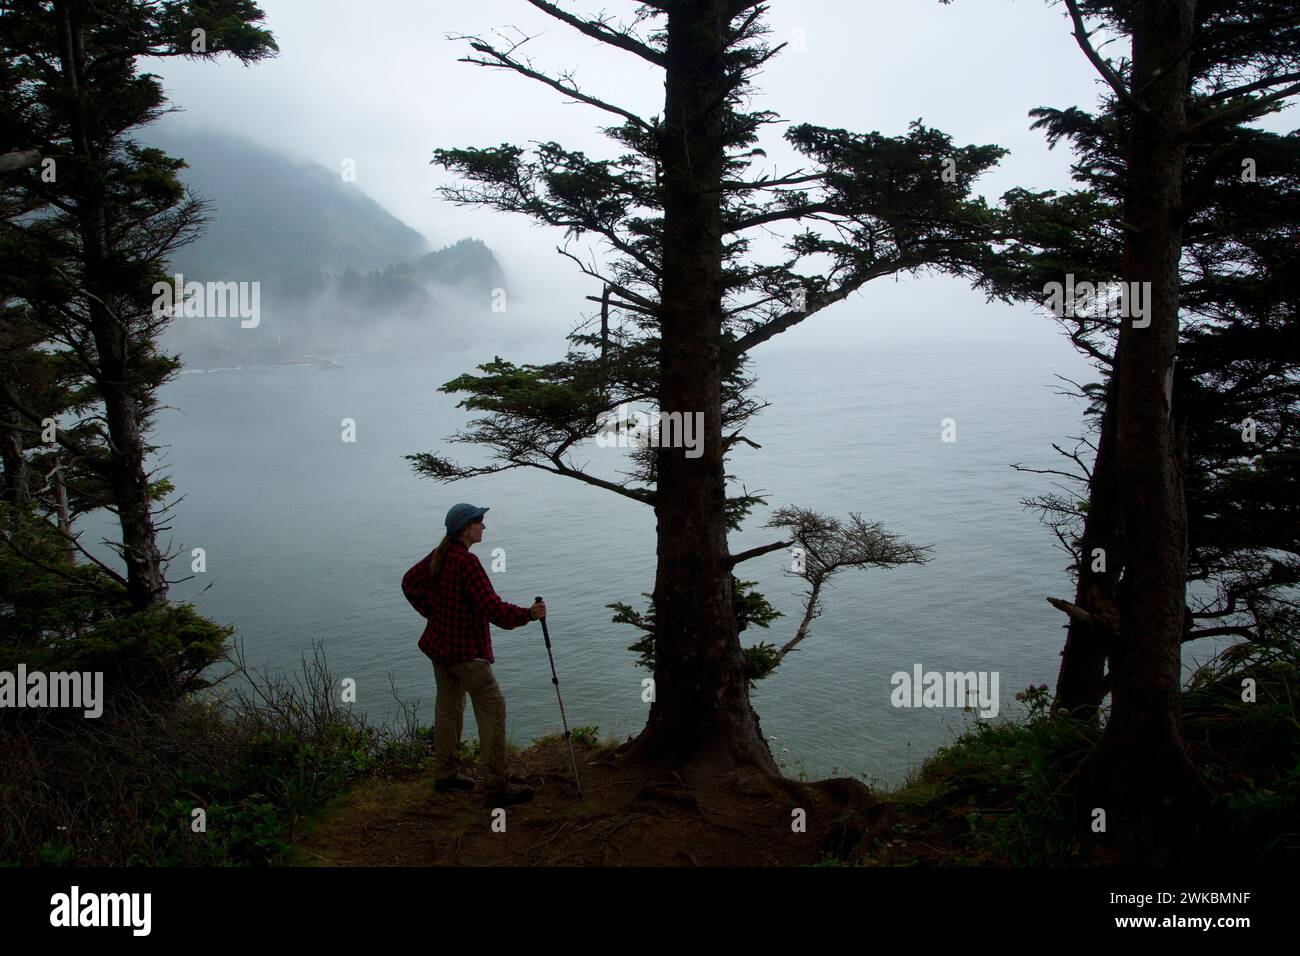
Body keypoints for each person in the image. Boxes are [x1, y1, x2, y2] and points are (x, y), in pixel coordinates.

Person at [422, 502, 545, 807]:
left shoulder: (440, 555)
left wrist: (436, 616)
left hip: (440, 649)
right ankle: (496, 786)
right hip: (466, 654)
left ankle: (445, 775)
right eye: (479, 521)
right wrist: (529, 614)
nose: (484, 526)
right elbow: (494, 609)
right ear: (465, 528)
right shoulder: (467, 562)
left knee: (448, 710)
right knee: (493, 709)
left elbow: (410, 583)